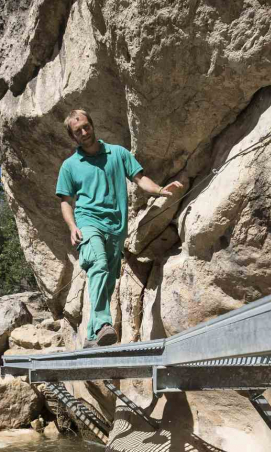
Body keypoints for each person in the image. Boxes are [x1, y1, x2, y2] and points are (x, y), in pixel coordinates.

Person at [56, 109, 183, 348]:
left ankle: (93, 336)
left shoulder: (118, 153)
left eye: (86, 127)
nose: (84, 133)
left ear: (92, 125)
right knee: (99, 265)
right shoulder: (70, 166)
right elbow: (65, 201)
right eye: (78, 131)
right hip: (88, 222)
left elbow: (139, 179)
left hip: (116, 227)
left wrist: (159, 190)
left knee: (107, 278)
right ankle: (104, 324)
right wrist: (72, 226)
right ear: (73, 138)